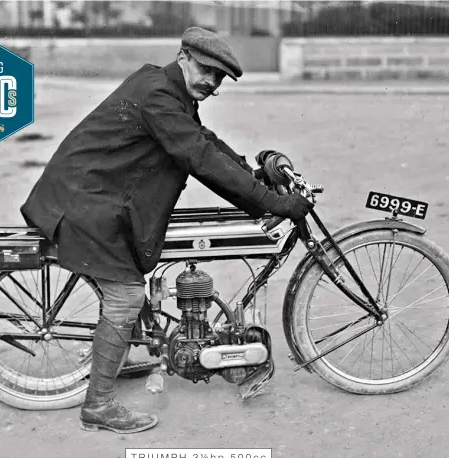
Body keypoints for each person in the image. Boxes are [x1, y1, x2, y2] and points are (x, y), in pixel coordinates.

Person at [20, 26, 312, 434]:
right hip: (86, 203)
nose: (211, 82)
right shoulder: (158, 95)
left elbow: (203, 141)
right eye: (207, 70)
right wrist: (273, 203)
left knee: (143, 272)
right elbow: (199, 157)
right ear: (184, 57)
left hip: (99, 195)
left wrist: (254, 176)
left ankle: (131, 351)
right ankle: (98, 406)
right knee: (125, 297)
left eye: (219, 78)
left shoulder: (165, 89)